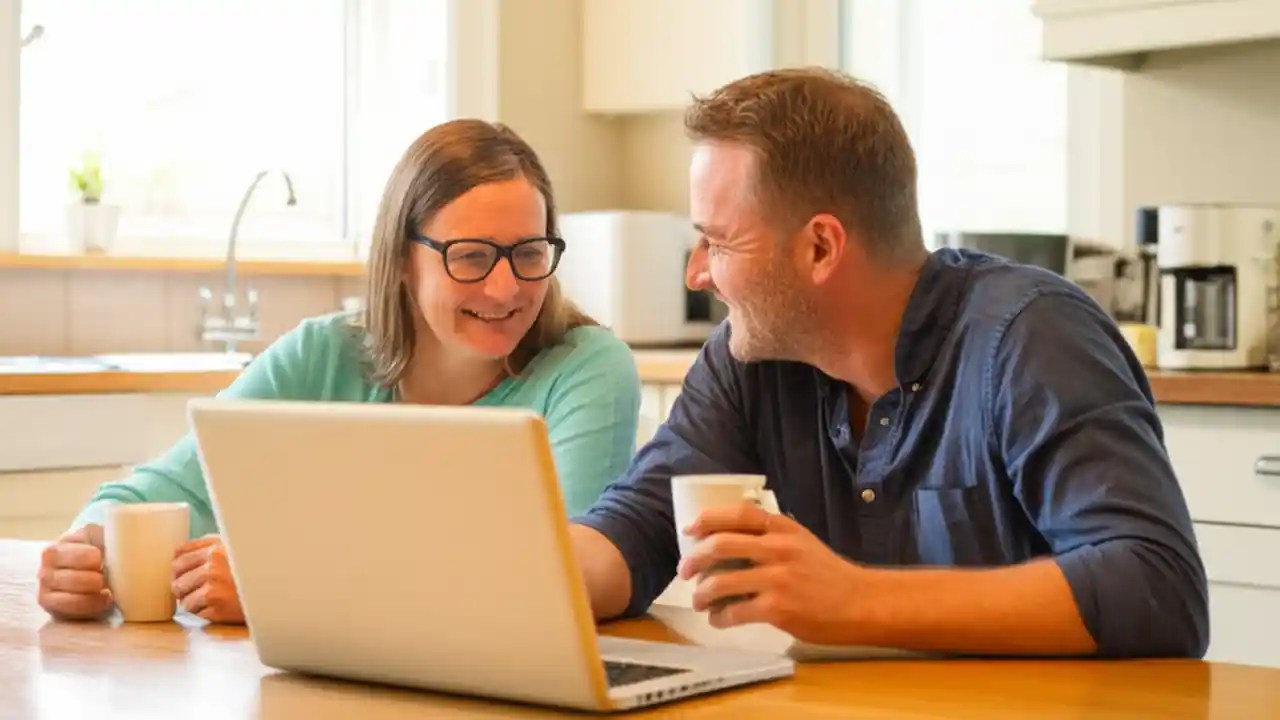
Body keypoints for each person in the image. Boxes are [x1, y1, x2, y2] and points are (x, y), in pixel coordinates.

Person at [570, 68, 1208, 658]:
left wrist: (853, 598)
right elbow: (636, 530)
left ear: (821, 246)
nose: (698, 271)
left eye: (718, 241)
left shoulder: (1030, 335)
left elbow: (1155, 586)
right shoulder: (752, 357)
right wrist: (505, 582)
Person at [37, 119, 641, 625]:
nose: (506, 286)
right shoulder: (320, 356)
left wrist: (286, 591)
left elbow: (549, 578)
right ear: (404, 260)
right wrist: (88, 550)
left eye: (529, 252)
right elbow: (161, 494)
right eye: (472, 256)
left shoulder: (587, 370)